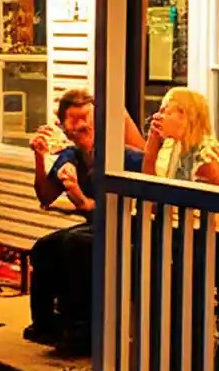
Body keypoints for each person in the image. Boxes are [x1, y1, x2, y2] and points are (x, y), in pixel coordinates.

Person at [24, 88, 145, 350]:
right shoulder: (72, 156)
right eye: (74, 119)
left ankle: (81, 328)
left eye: (86, 117)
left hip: (131, 228)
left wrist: (81, 198)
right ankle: (45, 324)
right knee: (45, 247)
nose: (81, 124)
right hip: (100, 226)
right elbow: (45, 196)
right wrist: (39, 157)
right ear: (63, 124)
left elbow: (125, 208)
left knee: (75, 244)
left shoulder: (121, 155)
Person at [142, 87, 219, 185]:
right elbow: (150, 189)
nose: (157, 116)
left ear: (186, 116)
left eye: (166, 112)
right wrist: (152, 144)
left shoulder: (205, 160)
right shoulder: (176, 148)